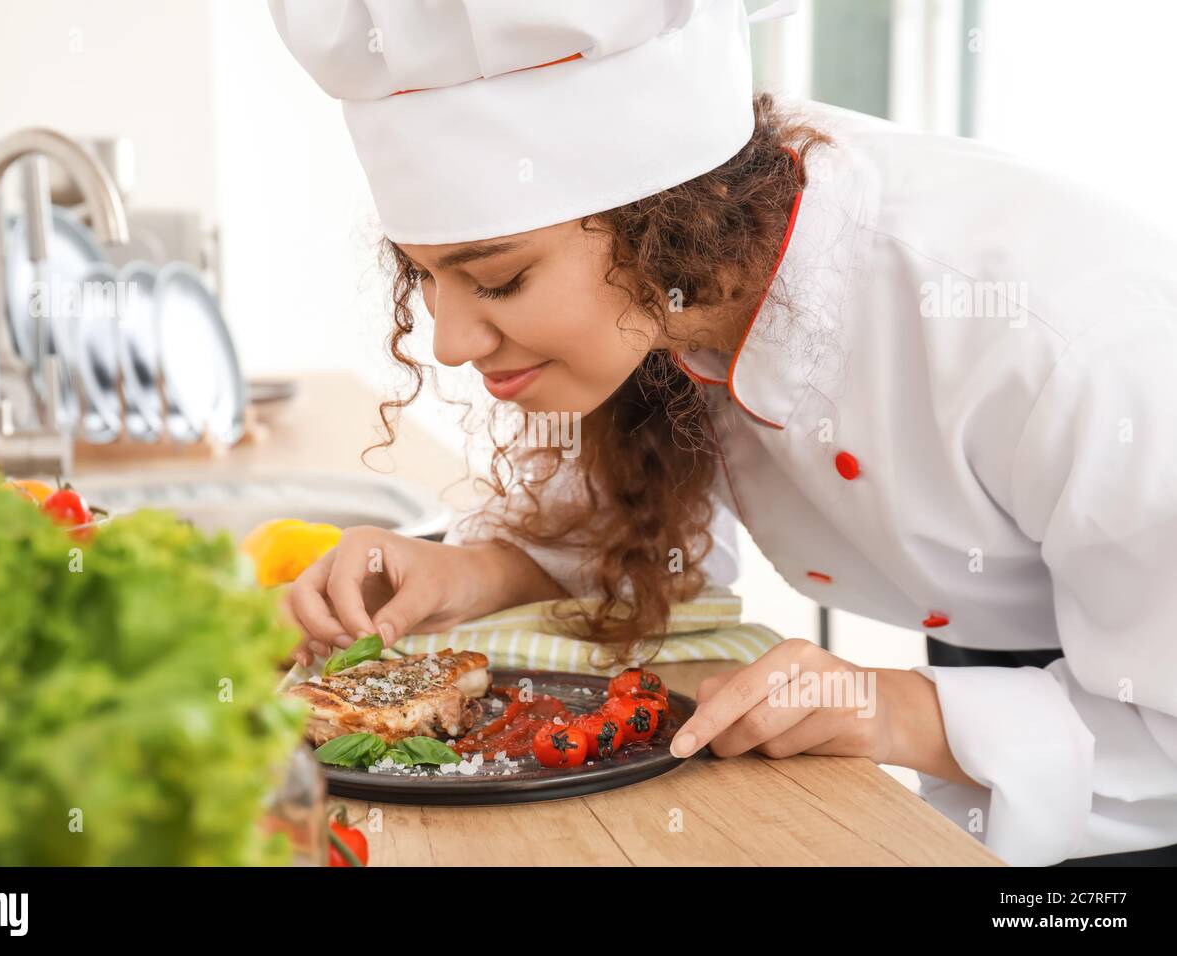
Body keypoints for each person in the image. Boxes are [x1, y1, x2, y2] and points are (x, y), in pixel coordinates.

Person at [268, 0, 1177, 865]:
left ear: (659, 229)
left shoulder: (1066, 343)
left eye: (498, 281)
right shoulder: (688, 280)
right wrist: (469, 572)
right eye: (425, 280)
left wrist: (893, 709)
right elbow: (637, 527)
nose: (450, 340)